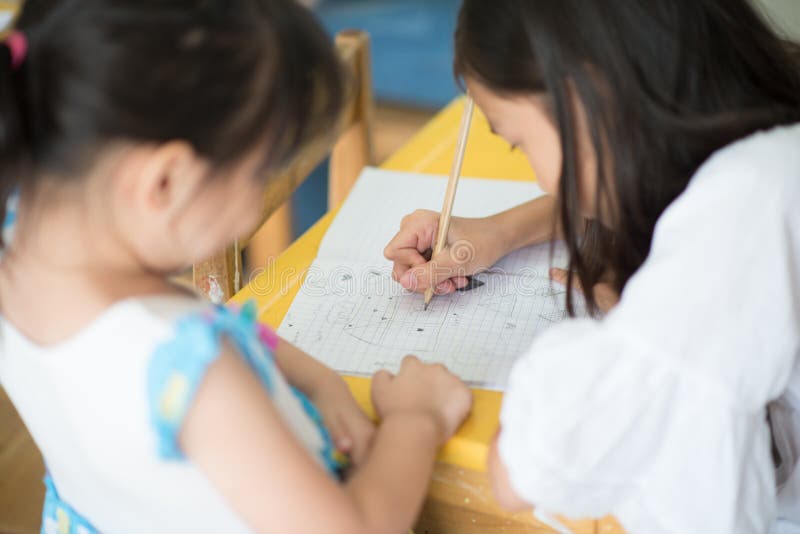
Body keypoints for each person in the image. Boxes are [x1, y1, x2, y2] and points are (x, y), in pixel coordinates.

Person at [0, 1, 472, 532]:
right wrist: (416, 419)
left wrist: (320, 381)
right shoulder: (200, 377)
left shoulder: (23, 257)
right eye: (259, 173)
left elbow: (200, 320)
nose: (256, 206)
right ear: (164, 183)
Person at [384, 1, 800, 532]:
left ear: (586, 95)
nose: (540, 180)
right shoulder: (762, 141)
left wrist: (640, 316)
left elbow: (522, 467)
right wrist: (500, 231)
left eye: (518, 143)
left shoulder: (741, 213)